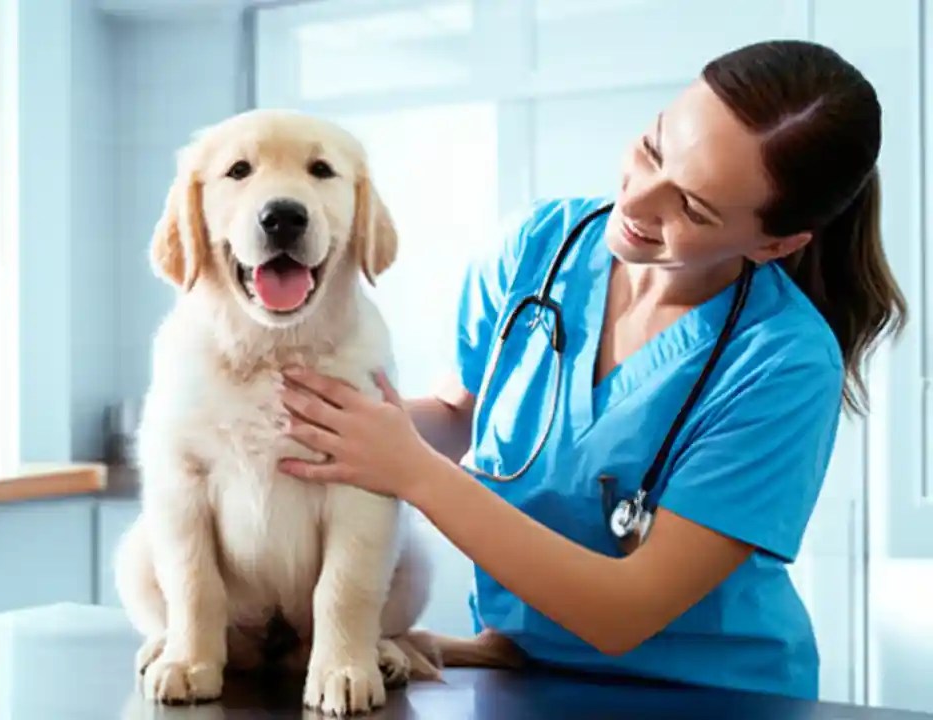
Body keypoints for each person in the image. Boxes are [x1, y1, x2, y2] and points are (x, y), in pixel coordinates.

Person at [275, 39, 907, 701]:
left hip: (715, 697)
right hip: (532, 675)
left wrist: (410, 470)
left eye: (693, 209)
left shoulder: (784, 362)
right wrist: (322, 420)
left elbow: (624, 610)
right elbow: (463, 417)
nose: (638, 202)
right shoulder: (540, 246)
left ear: (774, 243)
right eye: (653, 150)